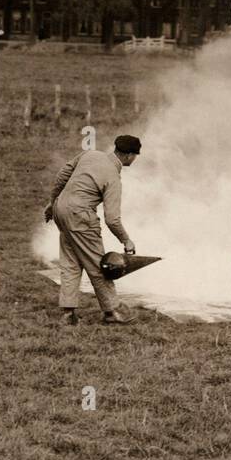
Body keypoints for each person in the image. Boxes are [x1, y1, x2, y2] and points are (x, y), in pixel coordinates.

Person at [45, 135, 143, 325]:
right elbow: (112, 220)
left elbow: (62, 175)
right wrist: (126, 240)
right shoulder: (113, 178)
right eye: (135, 156)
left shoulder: (90, 155)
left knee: (71, 261)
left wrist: (52, 203)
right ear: (130, 156)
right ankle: (112, 312)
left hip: (61, 209)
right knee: (99, 265)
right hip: (81, 217)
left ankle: (68, 313)